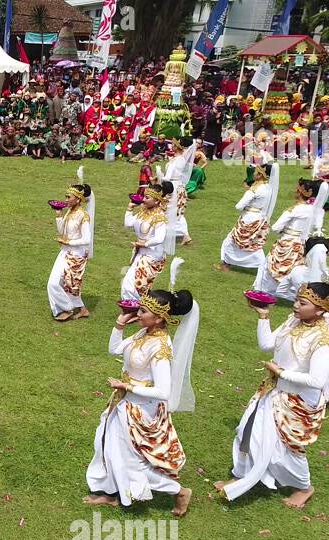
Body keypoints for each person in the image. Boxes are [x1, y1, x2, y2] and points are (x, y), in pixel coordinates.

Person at [84, 281, 197, 517]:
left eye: (143, 311)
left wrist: (127, 385)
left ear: (158, 318)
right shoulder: (144, 333)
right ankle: (114, 493)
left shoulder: (161, 347)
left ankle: (178, 491)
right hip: (124, 403)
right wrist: (119, 324)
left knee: (132, 463)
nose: (138, 312)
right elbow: (114, 349)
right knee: (107, 446)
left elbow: (163, 391)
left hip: (140, 409)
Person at [214, 282, 329, 509]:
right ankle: (241, 474)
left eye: (303, 303)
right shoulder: (293, 320)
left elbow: (317, 381)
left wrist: (281, 372)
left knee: (287, 449)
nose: (295, 305)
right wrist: (264, 316)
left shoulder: (323, 339)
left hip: (297, 400)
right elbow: (267, 344)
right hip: (273, 390)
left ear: (320, 310)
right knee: (247, 430)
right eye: (297, 300)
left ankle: (304, 487)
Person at [254, 179, 327, 298]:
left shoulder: (294, 210)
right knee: (293, 269)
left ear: (301, 192)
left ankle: (265, 291)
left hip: (286, 242)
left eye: (297, 189)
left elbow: (276, 227)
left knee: (269, 265)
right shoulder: (315, 210)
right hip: (300, 245)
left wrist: (284, 230)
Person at [217, 163, 279, 272]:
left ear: (260, 175)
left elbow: (239, 206)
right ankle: (262, 267)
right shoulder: (269, 188)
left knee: (230, 241)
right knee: (254, 245)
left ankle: (226, 265)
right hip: (260, 218)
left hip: (248, 218)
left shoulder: (254, 189)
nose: (254, 174)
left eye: (256, 172)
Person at [48, 182, 94, 321]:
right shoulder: (69, 211)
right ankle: (76, 309)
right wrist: (58, 215)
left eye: (69, 197)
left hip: (76, 254)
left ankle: (68, 308)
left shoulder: (83, 216)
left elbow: (87, 239)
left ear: (79, 199)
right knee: (57, 283)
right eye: (66, 196)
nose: (66, 199)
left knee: (68, 284)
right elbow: (62, 231)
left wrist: (69, 242)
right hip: (65, 252)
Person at [120, 182, 174, 301]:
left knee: (137, 283)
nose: (143, 200)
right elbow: (128, 224)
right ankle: (134, 306)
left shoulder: (159, 217)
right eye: (144, 196)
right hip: (140, 252)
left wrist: (144, 244)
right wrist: (129, 209)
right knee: (129, 281)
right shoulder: (143, 212)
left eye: (147, 198)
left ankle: (138, 307)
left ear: (156, 201)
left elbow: (160, 238)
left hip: (152, 254)